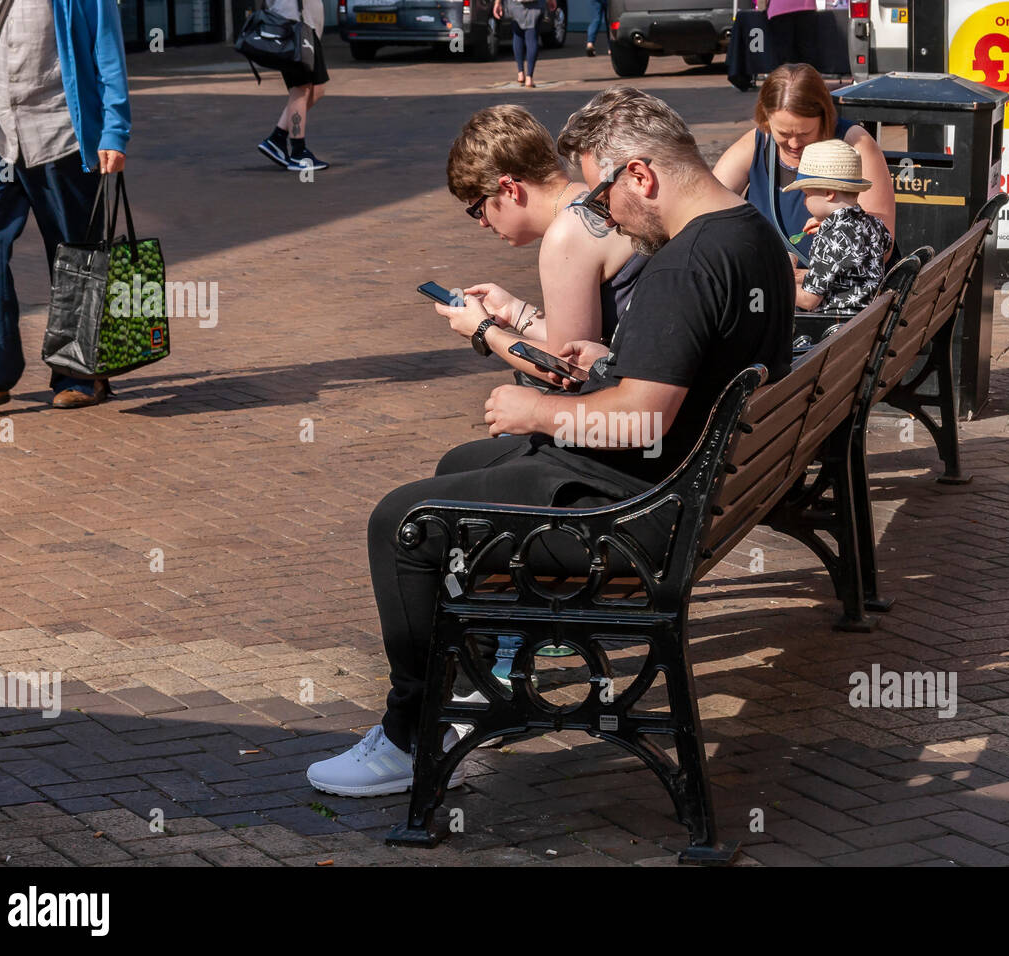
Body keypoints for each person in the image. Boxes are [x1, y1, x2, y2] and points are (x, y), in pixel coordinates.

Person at [305, 87, 793, 797]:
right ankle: (480, 678)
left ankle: (413, 733)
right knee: (462, 465)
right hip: (692, 488)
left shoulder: (686, 266)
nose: (601, 216)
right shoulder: (749, 234)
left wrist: (537, 411)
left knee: (402, 522)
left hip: (635, 513)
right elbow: (661, 383)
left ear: (641, 176)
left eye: (601, 196)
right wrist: (600, 364)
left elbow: (643, 417)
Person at [0, 0, 131, 415]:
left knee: (75, 255)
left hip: (62, 131)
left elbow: (107, 50)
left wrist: (114, 130)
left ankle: (80, 372)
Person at [443, 105, 646, 385]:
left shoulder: (567, 234)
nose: (483, 223)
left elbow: (568, 369)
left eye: (479, 208)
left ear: (509, 188)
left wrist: (484, 331)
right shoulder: (594, 198)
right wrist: (515, 312)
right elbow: (579, 344)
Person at [713, 63, 896, 272]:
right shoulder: (757, 143)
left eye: (804, 134)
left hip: (835, 294)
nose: (793, 144)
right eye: (783, 133)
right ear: (766, 118)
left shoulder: (855, 144)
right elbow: (706, 210)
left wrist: (840, 234)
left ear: (825, 117)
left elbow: (883, 247)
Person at [785, 140, 890, 313]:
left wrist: (776, 284)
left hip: (832, 328)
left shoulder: (829, 238)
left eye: (806, 194)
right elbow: (884, 248)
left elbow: (809, 301)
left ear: (828, 194)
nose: (804, 201)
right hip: (865, 321)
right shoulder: (873, 224)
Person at [256, 0, 329, 171]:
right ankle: (298, 152)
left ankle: (277, 139)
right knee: (301, 89)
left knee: (317, 91)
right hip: (294, 29)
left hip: (308, 30)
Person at [495, 0, 557, 88]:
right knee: (532, 37)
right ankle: (529, 78)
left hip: (515, 4)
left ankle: (520, 73)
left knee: (517, 35)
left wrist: (497, 3)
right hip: (536, 5)